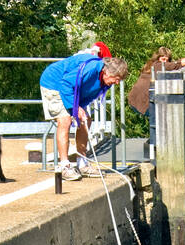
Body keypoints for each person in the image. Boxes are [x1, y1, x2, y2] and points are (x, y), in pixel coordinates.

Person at [39, 52, 129, 180]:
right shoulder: (90, 70)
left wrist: (79, 111)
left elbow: (87, 95)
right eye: (116, 78)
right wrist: (74, 108)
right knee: (65, 121)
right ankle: (64, 165)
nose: (117, 82)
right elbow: (66, 84)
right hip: (55, 83)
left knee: (86, 120)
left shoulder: (106, 82)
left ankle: (82, 163)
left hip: (71, 89)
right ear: (107, 72)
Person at [128, 47, 185, 149]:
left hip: (135, 100)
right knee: (164, 117)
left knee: (163, 116)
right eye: (162, 58)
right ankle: (159, 147)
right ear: (158, 58)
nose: (165, 61)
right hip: (142, 102)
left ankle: (160, 145)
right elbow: (179, 64)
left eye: (167, 59)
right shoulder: (159, 66)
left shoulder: (152, 65)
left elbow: (175, 64)